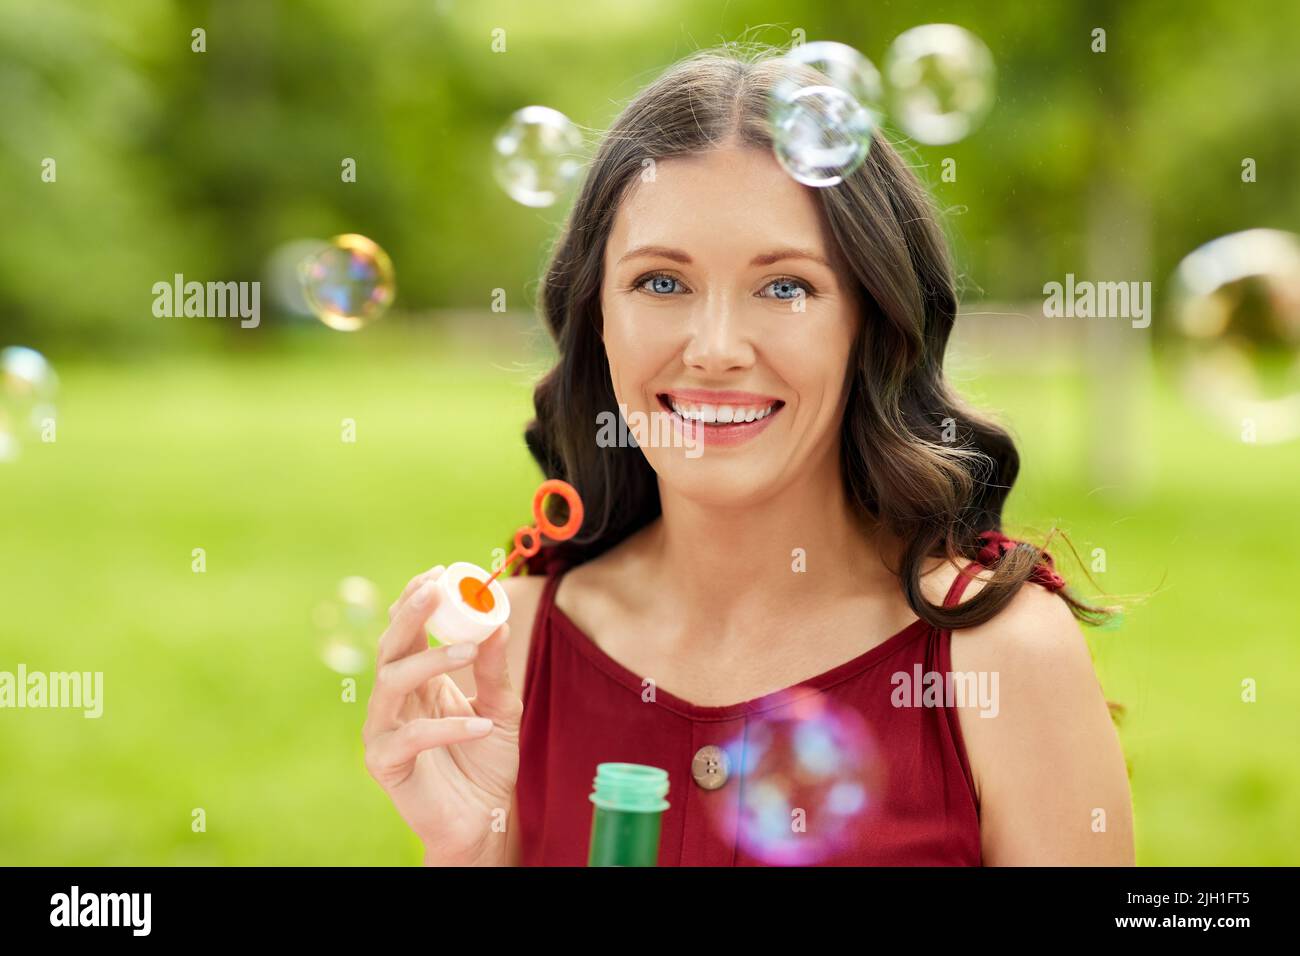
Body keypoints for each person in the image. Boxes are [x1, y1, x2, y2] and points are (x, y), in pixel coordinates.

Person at [363, 46, 1134, 866]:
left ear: (870, 322)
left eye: (786, 286)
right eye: (662, 282)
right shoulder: (508, 654)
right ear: (596, 317)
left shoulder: (1000, 656)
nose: (717, 349)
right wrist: (465, 848)